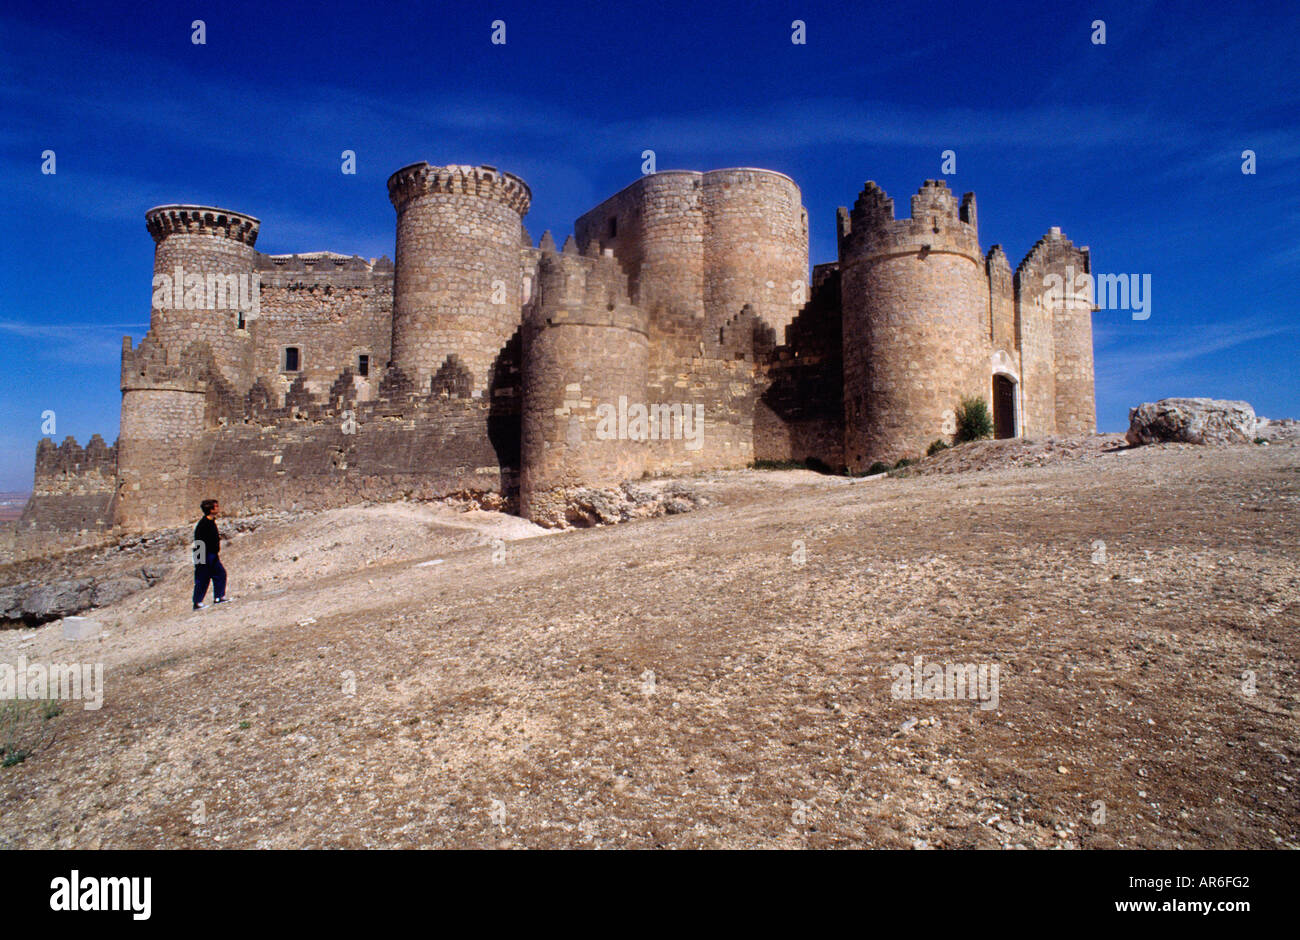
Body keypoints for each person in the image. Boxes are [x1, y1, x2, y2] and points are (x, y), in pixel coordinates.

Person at [192, 498, 229, 610]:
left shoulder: (211, 521)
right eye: (216, 506)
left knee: (220, 573)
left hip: (212, 554)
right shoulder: (203, 524)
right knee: (202, 578)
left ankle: (219, 597)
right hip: (204, 555)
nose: (218, 508)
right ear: (210, 509)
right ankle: (197, 602)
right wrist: (201, 559)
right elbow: (198, 542)